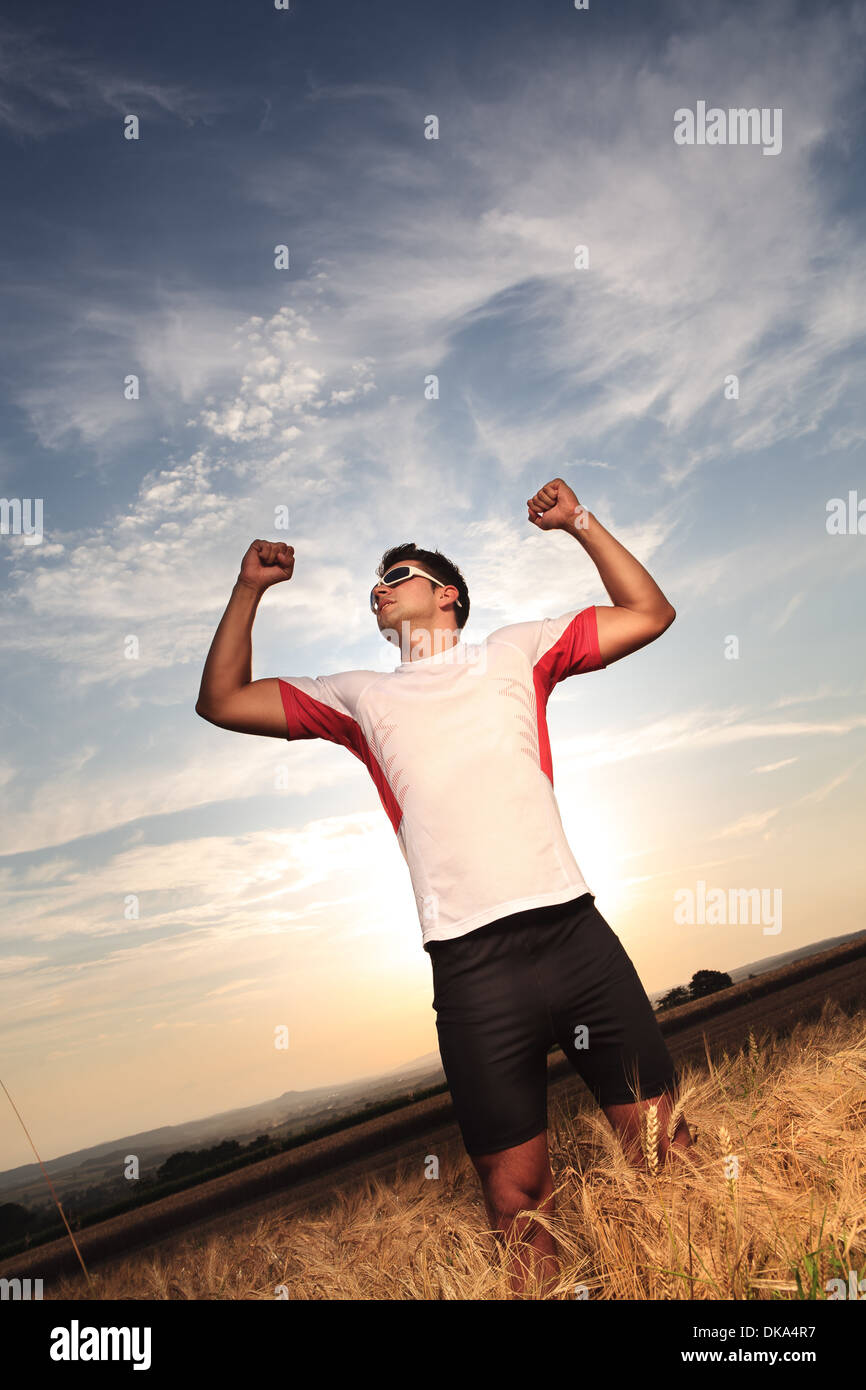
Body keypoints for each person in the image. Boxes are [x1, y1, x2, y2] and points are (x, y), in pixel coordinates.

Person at [195, 476, 693, 1298]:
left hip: (574, 938)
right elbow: (221, 700)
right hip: (471, 971)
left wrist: (579, 523)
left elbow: (650, 613)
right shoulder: (358, 695)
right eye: (373, 588)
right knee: (515, 1203)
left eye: (393, 579)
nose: (376, 593)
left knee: (664, 1149)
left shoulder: (517, 650)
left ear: (446, 595)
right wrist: (249, 589)